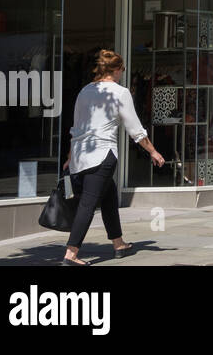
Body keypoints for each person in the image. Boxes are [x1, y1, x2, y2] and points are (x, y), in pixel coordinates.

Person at [63, 50, 165, 265]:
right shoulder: (120, 93)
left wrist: (70, 156)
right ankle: (71, 254)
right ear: (116, 70)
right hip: (102, 155)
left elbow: (76, 128)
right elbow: (135, 130)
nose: (122, 74)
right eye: (122, 70)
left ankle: (119, 244)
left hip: (81, 155)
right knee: (88, 204)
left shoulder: (85, 91)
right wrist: (153, 151)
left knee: (108, 194)